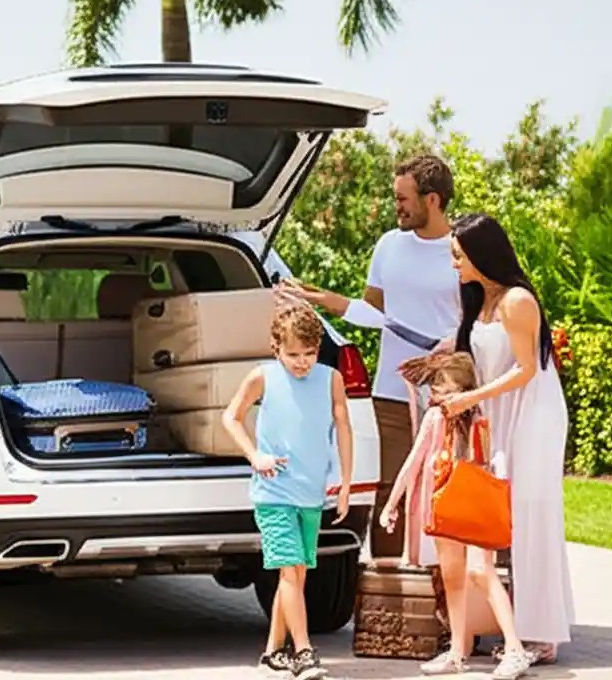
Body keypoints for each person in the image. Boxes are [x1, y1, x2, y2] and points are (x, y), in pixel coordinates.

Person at [278, 154, 461, 559]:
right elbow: (376, 315)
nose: (396, 205)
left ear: (432, 200)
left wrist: (439, 361)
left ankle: (447, 593)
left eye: (403, 198)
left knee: (447, 492)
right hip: (392, 395)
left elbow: (476, 325)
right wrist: (319, 298)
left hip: (450, 399)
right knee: (389, 493)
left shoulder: (460, 250)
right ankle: (391, 589)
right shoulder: (389, 246)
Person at [429, 212, 575, 669]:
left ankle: (541, 634)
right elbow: (479, 355)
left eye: (458, 255)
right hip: (498, 409)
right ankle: (505, 627)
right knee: (498, 519)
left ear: (480, 253)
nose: (453, 263)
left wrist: (471, 397)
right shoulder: (480, 300)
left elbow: (526, 370)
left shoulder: (517, 301)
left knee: (530, 515)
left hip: (533, 414)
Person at [222, 301, 354, 679]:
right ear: (275, 347)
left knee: (295, 573)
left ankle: (271, 654)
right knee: (290, 574)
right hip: (274, 493)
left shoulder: (330, 378)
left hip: (311, 494)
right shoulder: (262, 376)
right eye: (293, 354)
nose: (301, 362)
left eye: (309, 353)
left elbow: (343, 428)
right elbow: (230, 416)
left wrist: (345, 483)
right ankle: (305, 652)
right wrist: (254, 455)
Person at [381, 351, 527, 678]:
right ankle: (457, 652)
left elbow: (486, 461)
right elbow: (413, 462)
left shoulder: (478, 418)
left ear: (465, 391)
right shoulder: (435, 419)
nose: (439, 396)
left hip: (470, 504)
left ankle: (515, 647)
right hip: (445, 504)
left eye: (447, 390)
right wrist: (392, 504)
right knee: (452, 578)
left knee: (480, 572)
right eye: (437, 389)